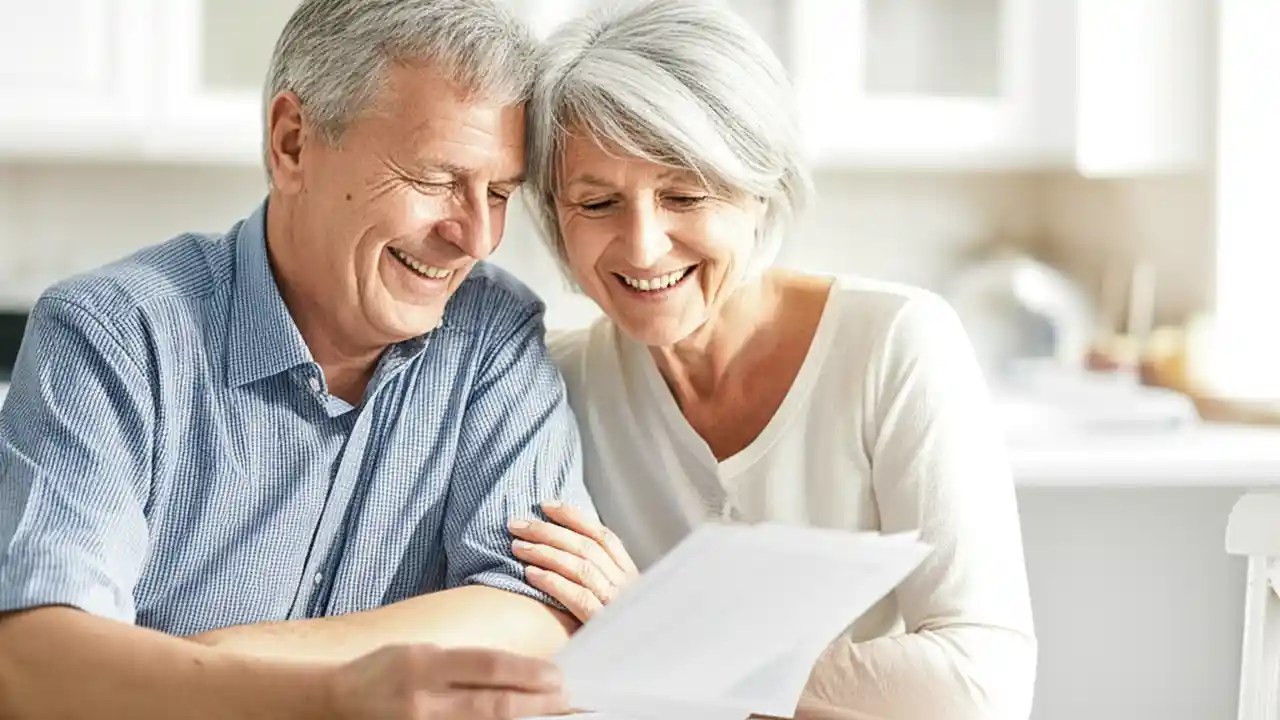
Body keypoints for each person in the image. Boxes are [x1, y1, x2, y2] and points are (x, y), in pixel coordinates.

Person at [0, 1, 587, 717]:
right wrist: (332, 697)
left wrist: (222, 662)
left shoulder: (492, 337)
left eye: (498, 193)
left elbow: (535, 612)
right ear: (292, 143)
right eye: (436, 179)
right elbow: (33, 661)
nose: (476, 237)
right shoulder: (114, 335)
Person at [507, 1, 1037, 718]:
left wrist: (660, 635)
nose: (642, 247)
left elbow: (983, 683)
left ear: (761, 190)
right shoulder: (556, 387)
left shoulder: (896, 345)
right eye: (597, 203)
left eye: (684, 195)